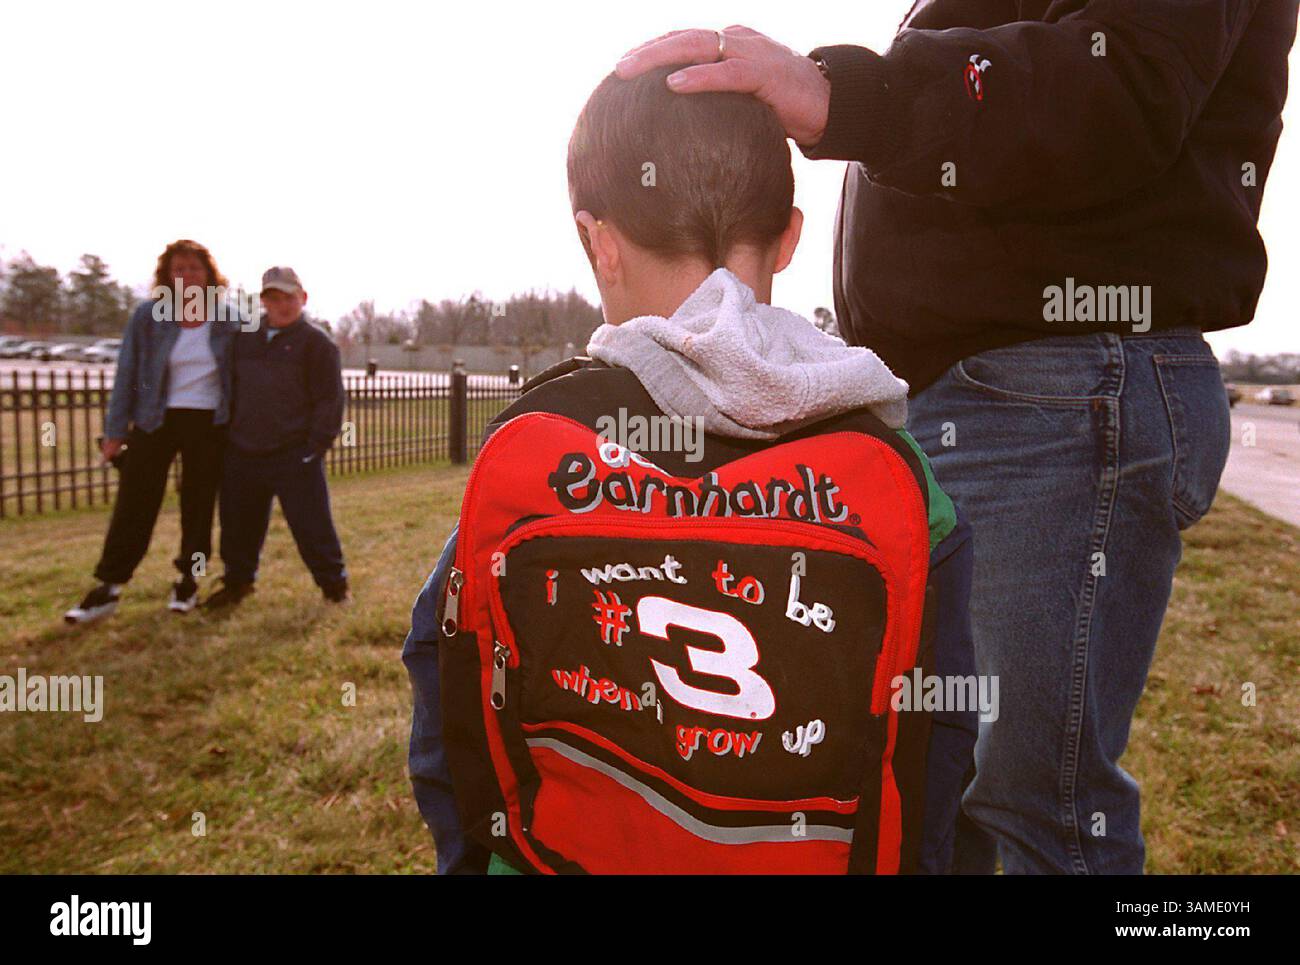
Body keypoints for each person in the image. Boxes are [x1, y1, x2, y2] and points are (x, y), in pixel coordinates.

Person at [614, 1, 1296, 873]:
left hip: (1052, 392)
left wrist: (839, 91)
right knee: (944, 783)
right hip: (997, 394)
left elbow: (1123, 81)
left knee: (1034, 812)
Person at [403, 66, 977, 874]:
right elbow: (938, 750)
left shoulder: (539, 446)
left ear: (599, 243)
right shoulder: (899, 476)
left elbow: (446, 704)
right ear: (789, 236)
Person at [65, 240, 236, 623]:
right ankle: (108, 586)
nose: (187, 276)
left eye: (195, 268)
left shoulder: (229, 319)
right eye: (179, 269)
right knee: (134, 503)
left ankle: (189, 580)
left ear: (208, 275)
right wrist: (115, 432)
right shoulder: (148, 317)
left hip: (208, 423)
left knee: (198, 506)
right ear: (166, 276)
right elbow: (127, 374)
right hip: (154, 420)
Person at [205, 266, 350, 607]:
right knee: (238, 525)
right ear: (263, 301)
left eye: (289, 297)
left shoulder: (317, 344)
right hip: (243, 450)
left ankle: (334, 587)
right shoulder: (244, 338)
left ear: (303, 299)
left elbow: (330, 400)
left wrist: (314, 446)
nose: (282, 305)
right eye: (273, 298)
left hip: (293, 453)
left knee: (312, 524)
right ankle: (237, 583)